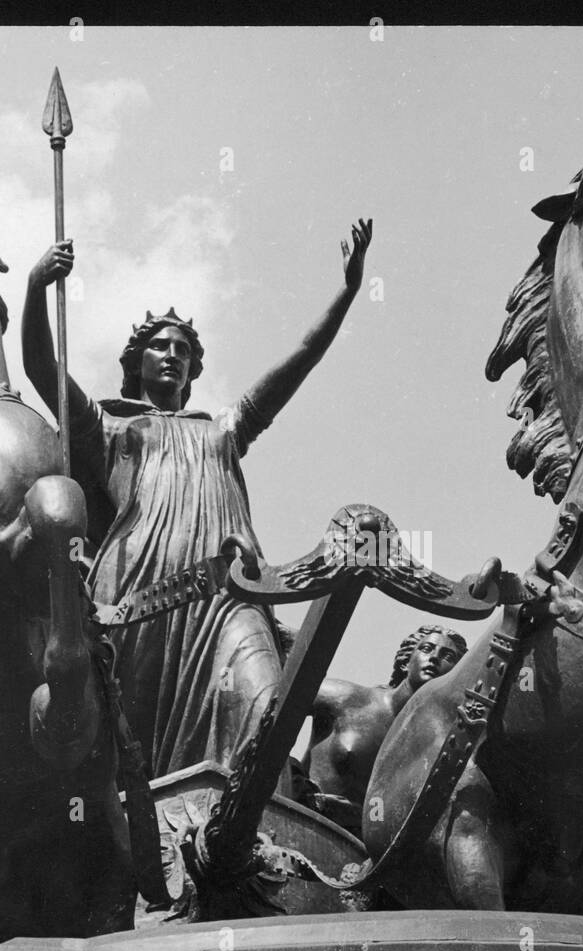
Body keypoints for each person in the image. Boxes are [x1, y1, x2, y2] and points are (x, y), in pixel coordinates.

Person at [21, 220, 373, 784]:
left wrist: (346, 294)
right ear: (137, 362)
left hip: (228, 594)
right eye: (159, 347)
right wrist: (36, 288)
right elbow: (44, 372)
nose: (171, 355)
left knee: (264, 713)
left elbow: (300, 360)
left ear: (193, 369)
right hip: (138, 599)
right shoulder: (112, 431)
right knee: (130, 758)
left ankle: (260, 846)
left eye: (182, 350)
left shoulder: (225, 432)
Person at [301, 625, 467, 833]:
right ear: (406, 661)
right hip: (299, 819)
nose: (434, 658)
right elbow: (276, 700)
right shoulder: (346, 698)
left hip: (358, 852)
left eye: (448, 656)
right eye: (426, 649)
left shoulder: (434, 747)